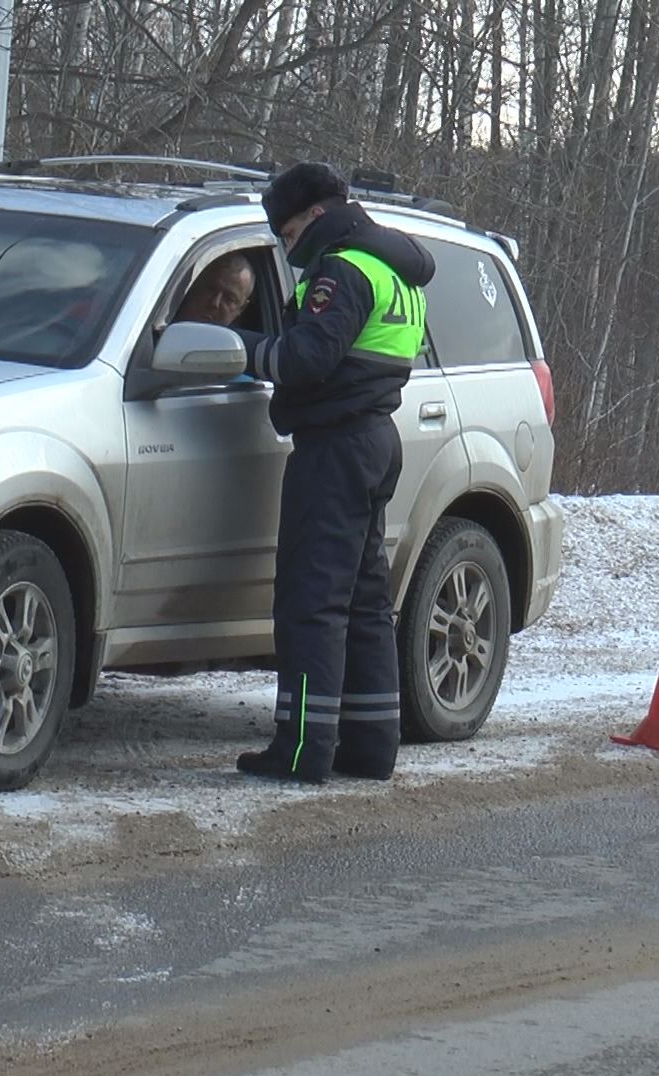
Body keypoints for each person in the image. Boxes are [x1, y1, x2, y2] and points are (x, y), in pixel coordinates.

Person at [231, 161, 435, 784]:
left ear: (316, 217)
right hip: (375, 438)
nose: (288, 250)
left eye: (289, 236)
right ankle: (371, 747)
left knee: (311, 601)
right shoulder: (396, 271)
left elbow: (308, 355)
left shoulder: (342, 269)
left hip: (336, 447)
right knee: (365, 601)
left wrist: (247, 351)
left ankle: (300, 750)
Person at [175, 252, 256, 327]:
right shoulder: (163, 318)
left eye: (229, 299)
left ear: (241, 308)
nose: (214, 303)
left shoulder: (236, 342)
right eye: (211, 289)